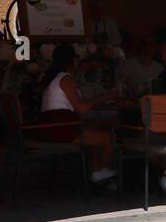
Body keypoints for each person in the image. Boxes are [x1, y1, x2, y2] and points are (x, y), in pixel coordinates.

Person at [38, 43, 119, 180]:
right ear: (72, 60)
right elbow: (81, 108)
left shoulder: (55, 77)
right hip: (58, 128)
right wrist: (105, 97)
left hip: (52, 125)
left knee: (96, 126)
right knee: (109, 136)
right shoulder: (65, 78)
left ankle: (97, 170)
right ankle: (99, 171)